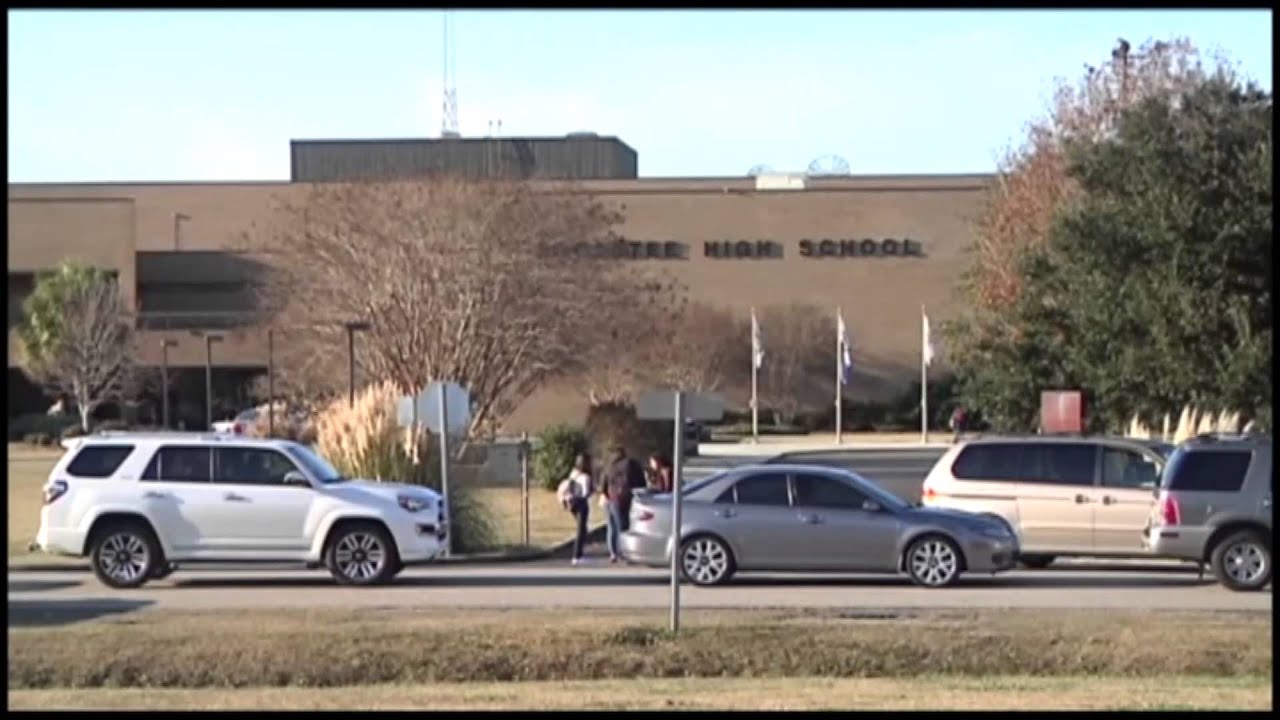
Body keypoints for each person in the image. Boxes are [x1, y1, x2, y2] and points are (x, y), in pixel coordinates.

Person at [601, 446, 641, 564]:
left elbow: (603, 483)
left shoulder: (609, 466)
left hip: (610, 498)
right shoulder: (629, 464)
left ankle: (613, 553)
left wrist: (606, 494)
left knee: (611, 526)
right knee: (622, 526)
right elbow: (637, 480)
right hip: (623, 498)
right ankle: (624, 552)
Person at [556, 453, 594, 566]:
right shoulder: (586, 477)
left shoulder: (573, 473)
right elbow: (586, 493)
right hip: (581, 503)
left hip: (572, 503)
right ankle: (577, 555)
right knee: (581, 529)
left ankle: (578, 554)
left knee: (582, 528)